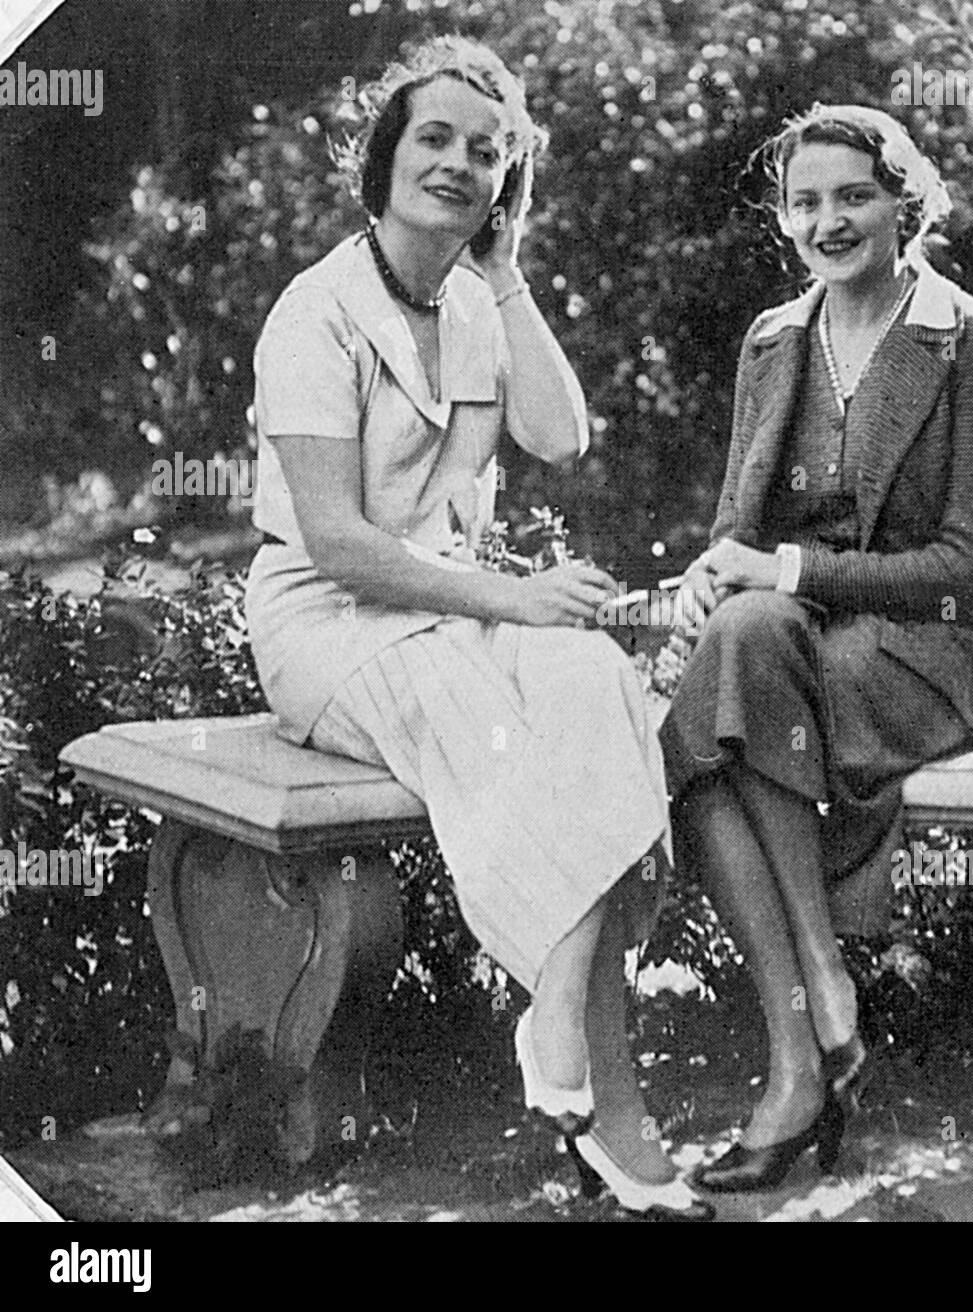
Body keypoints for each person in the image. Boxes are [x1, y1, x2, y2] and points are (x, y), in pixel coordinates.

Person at [244, 35, 711, 1221]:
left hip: (446, 608)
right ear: (386, 155)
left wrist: (504, 275)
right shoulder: (315, 311)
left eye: (488, 152)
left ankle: (555, 1023)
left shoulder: (471, 302)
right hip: (326, 625)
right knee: (487, 715)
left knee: (593, 676)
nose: (458, 164)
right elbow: (338, 545)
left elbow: (562, 437)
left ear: (509, 182)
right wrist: (516, 597)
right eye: (436, 138)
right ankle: (613, 1110)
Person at [661, 104, 973, 1193]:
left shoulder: (966, 340)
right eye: (805, 202)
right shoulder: (774, 340)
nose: (828, 221)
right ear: (784, 219)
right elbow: (739, 529)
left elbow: (966, 567)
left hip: (926, 648)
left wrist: (782, 573)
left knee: (714, 722)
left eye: (853, 197)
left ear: (905, 203)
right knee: (719, 691)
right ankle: (806, 1040)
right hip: (789, 646)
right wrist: (711, 573)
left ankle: (816, 1008)